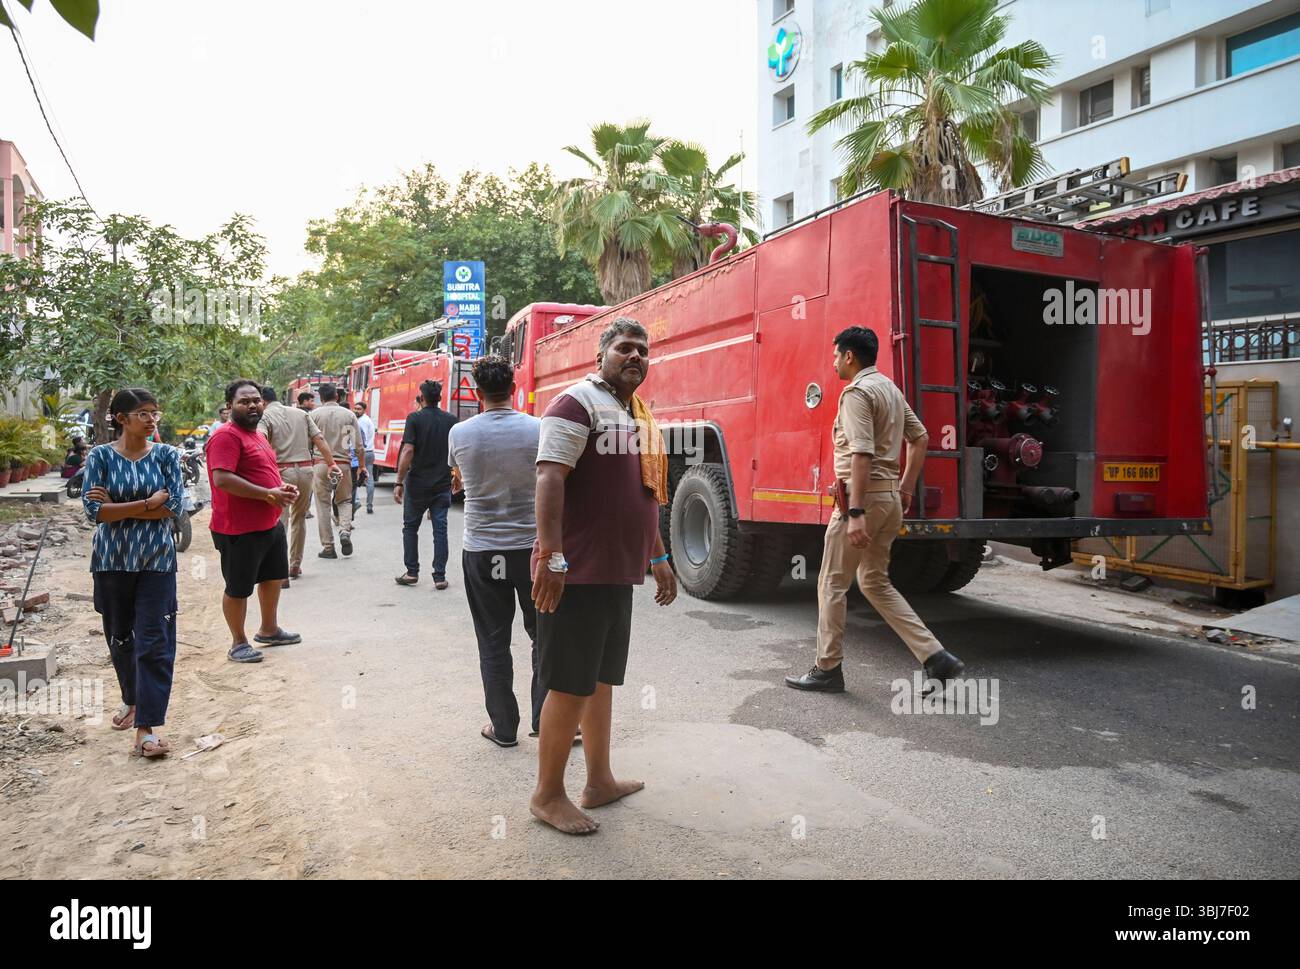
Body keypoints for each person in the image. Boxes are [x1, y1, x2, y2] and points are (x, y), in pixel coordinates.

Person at [529, 317, 677, 835]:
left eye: (642, 349)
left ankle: (599, 781)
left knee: (600, 681)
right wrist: (552, 557)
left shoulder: (632, 412)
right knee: (569, 685)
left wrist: (657, 558)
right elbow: (550, 478)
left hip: (617, 572)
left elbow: (643, 494)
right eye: (623, 348)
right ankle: (547, 795)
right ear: (601, 356)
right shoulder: (577, 403)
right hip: (577, 572)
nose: (635, 356)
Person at [785, 326, 966, 695]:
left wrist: (855, 513)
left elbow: (861, 453)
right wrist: (905, 488)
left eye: (836, 355)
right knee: (874, 581)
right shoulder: (891, 390)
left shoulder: (856, 393)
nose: (834, 362)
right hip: (890, 500)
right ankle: (936, 658)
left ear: (849, 356)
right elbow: (920, 438)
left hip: (862, 500)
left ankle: (827, 669)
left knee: (832, 582)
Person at [449, 356, 546, 748]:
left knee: (492, 641)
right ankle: (546, 721)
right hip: (531, 550)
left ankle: (503, 728)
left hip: (483, 551)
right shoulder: (539, 428)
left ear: (476, 391)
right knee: (544, 636)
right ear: (514, 386)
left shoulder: (459, 433)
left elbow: (456, 478)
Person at [82, 388, 184, 759]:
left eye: (155, 412)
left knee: (155, 642)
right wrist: (146, 503)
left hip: (156, 562)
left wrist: (118, 506)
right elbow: (93, 512)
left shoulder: (168, 455)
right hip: (111, 562)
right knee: (121, 638)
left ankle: (147, 728)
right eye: (143, 413)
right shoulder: (100, 456)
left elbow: (172, 507)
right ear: (121, 419)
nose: (152, 419)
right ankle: (131, 698)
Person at [206, 379, 302, 664]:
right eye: (244, 401)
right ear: (229, 406)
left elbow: (263, 471)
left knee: (273, 577)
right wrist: (267, 493)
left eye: (256, 400)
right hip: (238, 527)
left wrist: (281, 487)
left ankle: (269, 630)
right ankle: (238, 642)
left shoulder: (257, 435)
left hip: (269, 522)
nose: (252, 405)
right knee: (239, 587)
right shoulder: (226, 436)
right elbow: (221, 478)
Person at [257, 385, 338, 581]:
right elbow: (319, 439)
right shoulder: (300, 414)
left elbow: (259, 441)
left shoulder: (265, 416)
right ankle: (294, 565)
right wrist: (331, 463)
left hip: (281, 471)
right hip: (305, 470)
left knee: (280, 520)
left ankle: (280, 572)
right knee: (299, 518)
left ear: (263, 401)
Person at [393, 380, 457, 589]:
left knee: (410, 527)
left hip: (418, 484)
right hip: (441, 484)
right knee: (440, 529)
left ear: (421, 397)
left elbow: (408, 451)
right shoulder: (451, 420)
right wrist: (457, 474)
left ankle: (412, 572)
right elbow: (455, 452)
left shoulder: (414, 418)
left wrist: (398, 481)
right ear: (439, 397)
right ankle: (440, 576)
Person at [310, 382, 365, 559]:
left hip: (320, 464)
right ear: (337, 397)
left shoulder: (313, 415)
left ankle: (328, 547)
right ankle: (345, 531)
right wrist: (362, 467)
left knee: (323, 506)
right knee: (345, 500)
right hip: (343, 463)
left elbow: (308, 444)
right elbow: (359, 446)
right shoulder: (349, 415)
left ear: (322, 398)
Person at [352, 400, 377, 514]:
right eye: (355, 408)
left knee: (354, 477)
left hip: (362, 452)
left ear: (364, 410)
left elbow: (361, 441)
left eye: (359, 409)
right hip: (370, 452)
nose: (356, 411)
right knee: (369, 479)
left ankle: (356, 501)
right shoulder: (368, 420)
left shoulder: (361, 422)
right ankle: (369, 505)